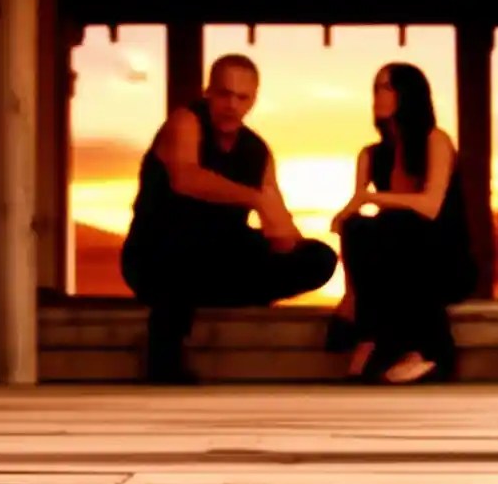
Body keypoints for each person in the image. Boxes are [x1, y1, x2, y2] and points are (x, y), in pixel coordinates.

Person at [122, 54, 338, 383]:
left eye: (242, 97)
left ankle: (239, 294)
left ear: (253, 100)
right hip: (159, 255)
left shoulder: (256, 151)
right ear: (209, 92)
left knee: (318, 257)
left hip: (222, 258)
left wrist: (286, 240)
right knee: (183, 246)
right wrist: (253, 198)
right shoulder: (185, 122)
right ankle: (164, 360)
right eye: (224, 94)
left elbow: (277, 218)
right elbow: (186, 178)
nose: (232, 105)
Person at [327, 62, 479, 384]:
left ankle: (419, 349)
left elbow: (430, 207)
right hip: (399, 259)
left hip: (443, 261)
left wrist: (375, 199)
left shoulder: (435, 140)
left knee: (402, 227)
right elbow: (355, 209)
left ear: (408, 94)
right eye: (376, 88)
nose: (377, 95)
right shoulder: (370, 155)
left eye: (386, 87)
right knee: (360, 227)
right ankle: (365, 323)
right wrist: (347, 217)